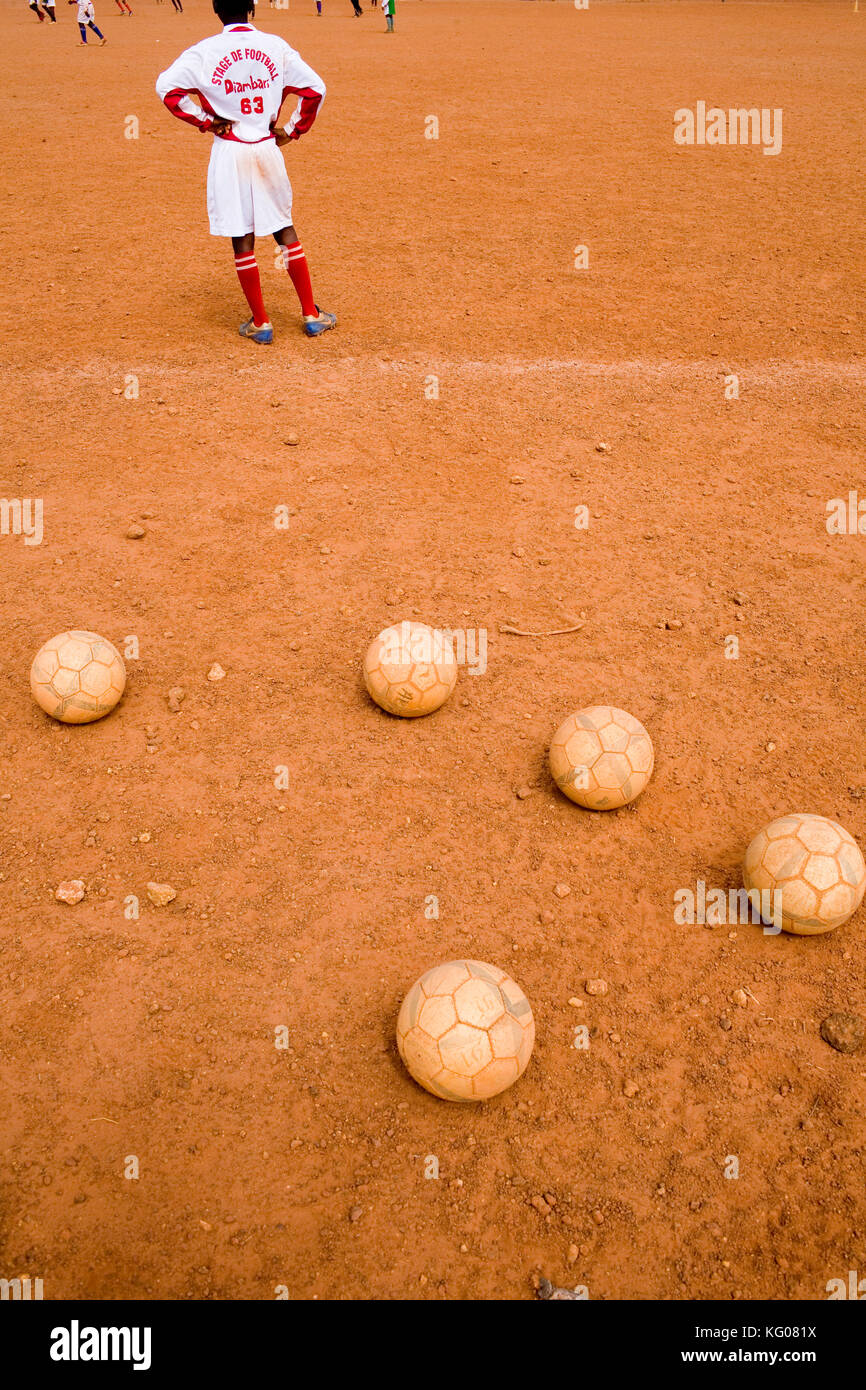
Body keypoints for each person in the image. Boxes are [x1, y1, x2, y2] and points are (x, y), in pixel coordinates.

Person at [156, 0, 335, 343]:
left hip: (229, 149)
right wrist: (293, 129)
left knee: (242, 235)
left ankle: (261, 323)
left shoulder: (204, 51)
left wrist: (208, 121)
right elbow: (316, 89)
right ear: (251, 8)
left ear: (216, 10)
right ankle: (311, 315)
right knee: (283, 227)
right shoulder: (275, 46)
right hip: (266, 146)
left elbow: (167, 88)